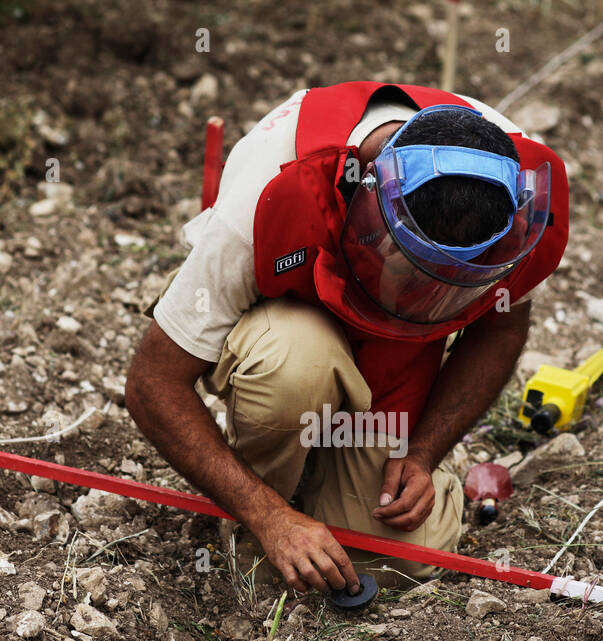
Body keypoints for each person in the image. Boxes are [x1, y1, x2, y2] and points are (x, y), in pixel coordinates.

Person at [125, 82, 569, 596]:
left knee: (403, 559)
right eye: (417, 277)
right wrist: (270, 517)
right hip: (291, 333)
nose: (432, 304)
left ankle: (322, 478)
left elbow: (501, 326)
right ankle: (259, 510)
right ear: (371, 208)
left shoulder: (523, 200)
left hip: (399, 362)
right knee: (294, 369)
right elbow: (152, 384)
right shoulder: (263, 200)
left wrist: (424, 452)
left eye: (454, 292)